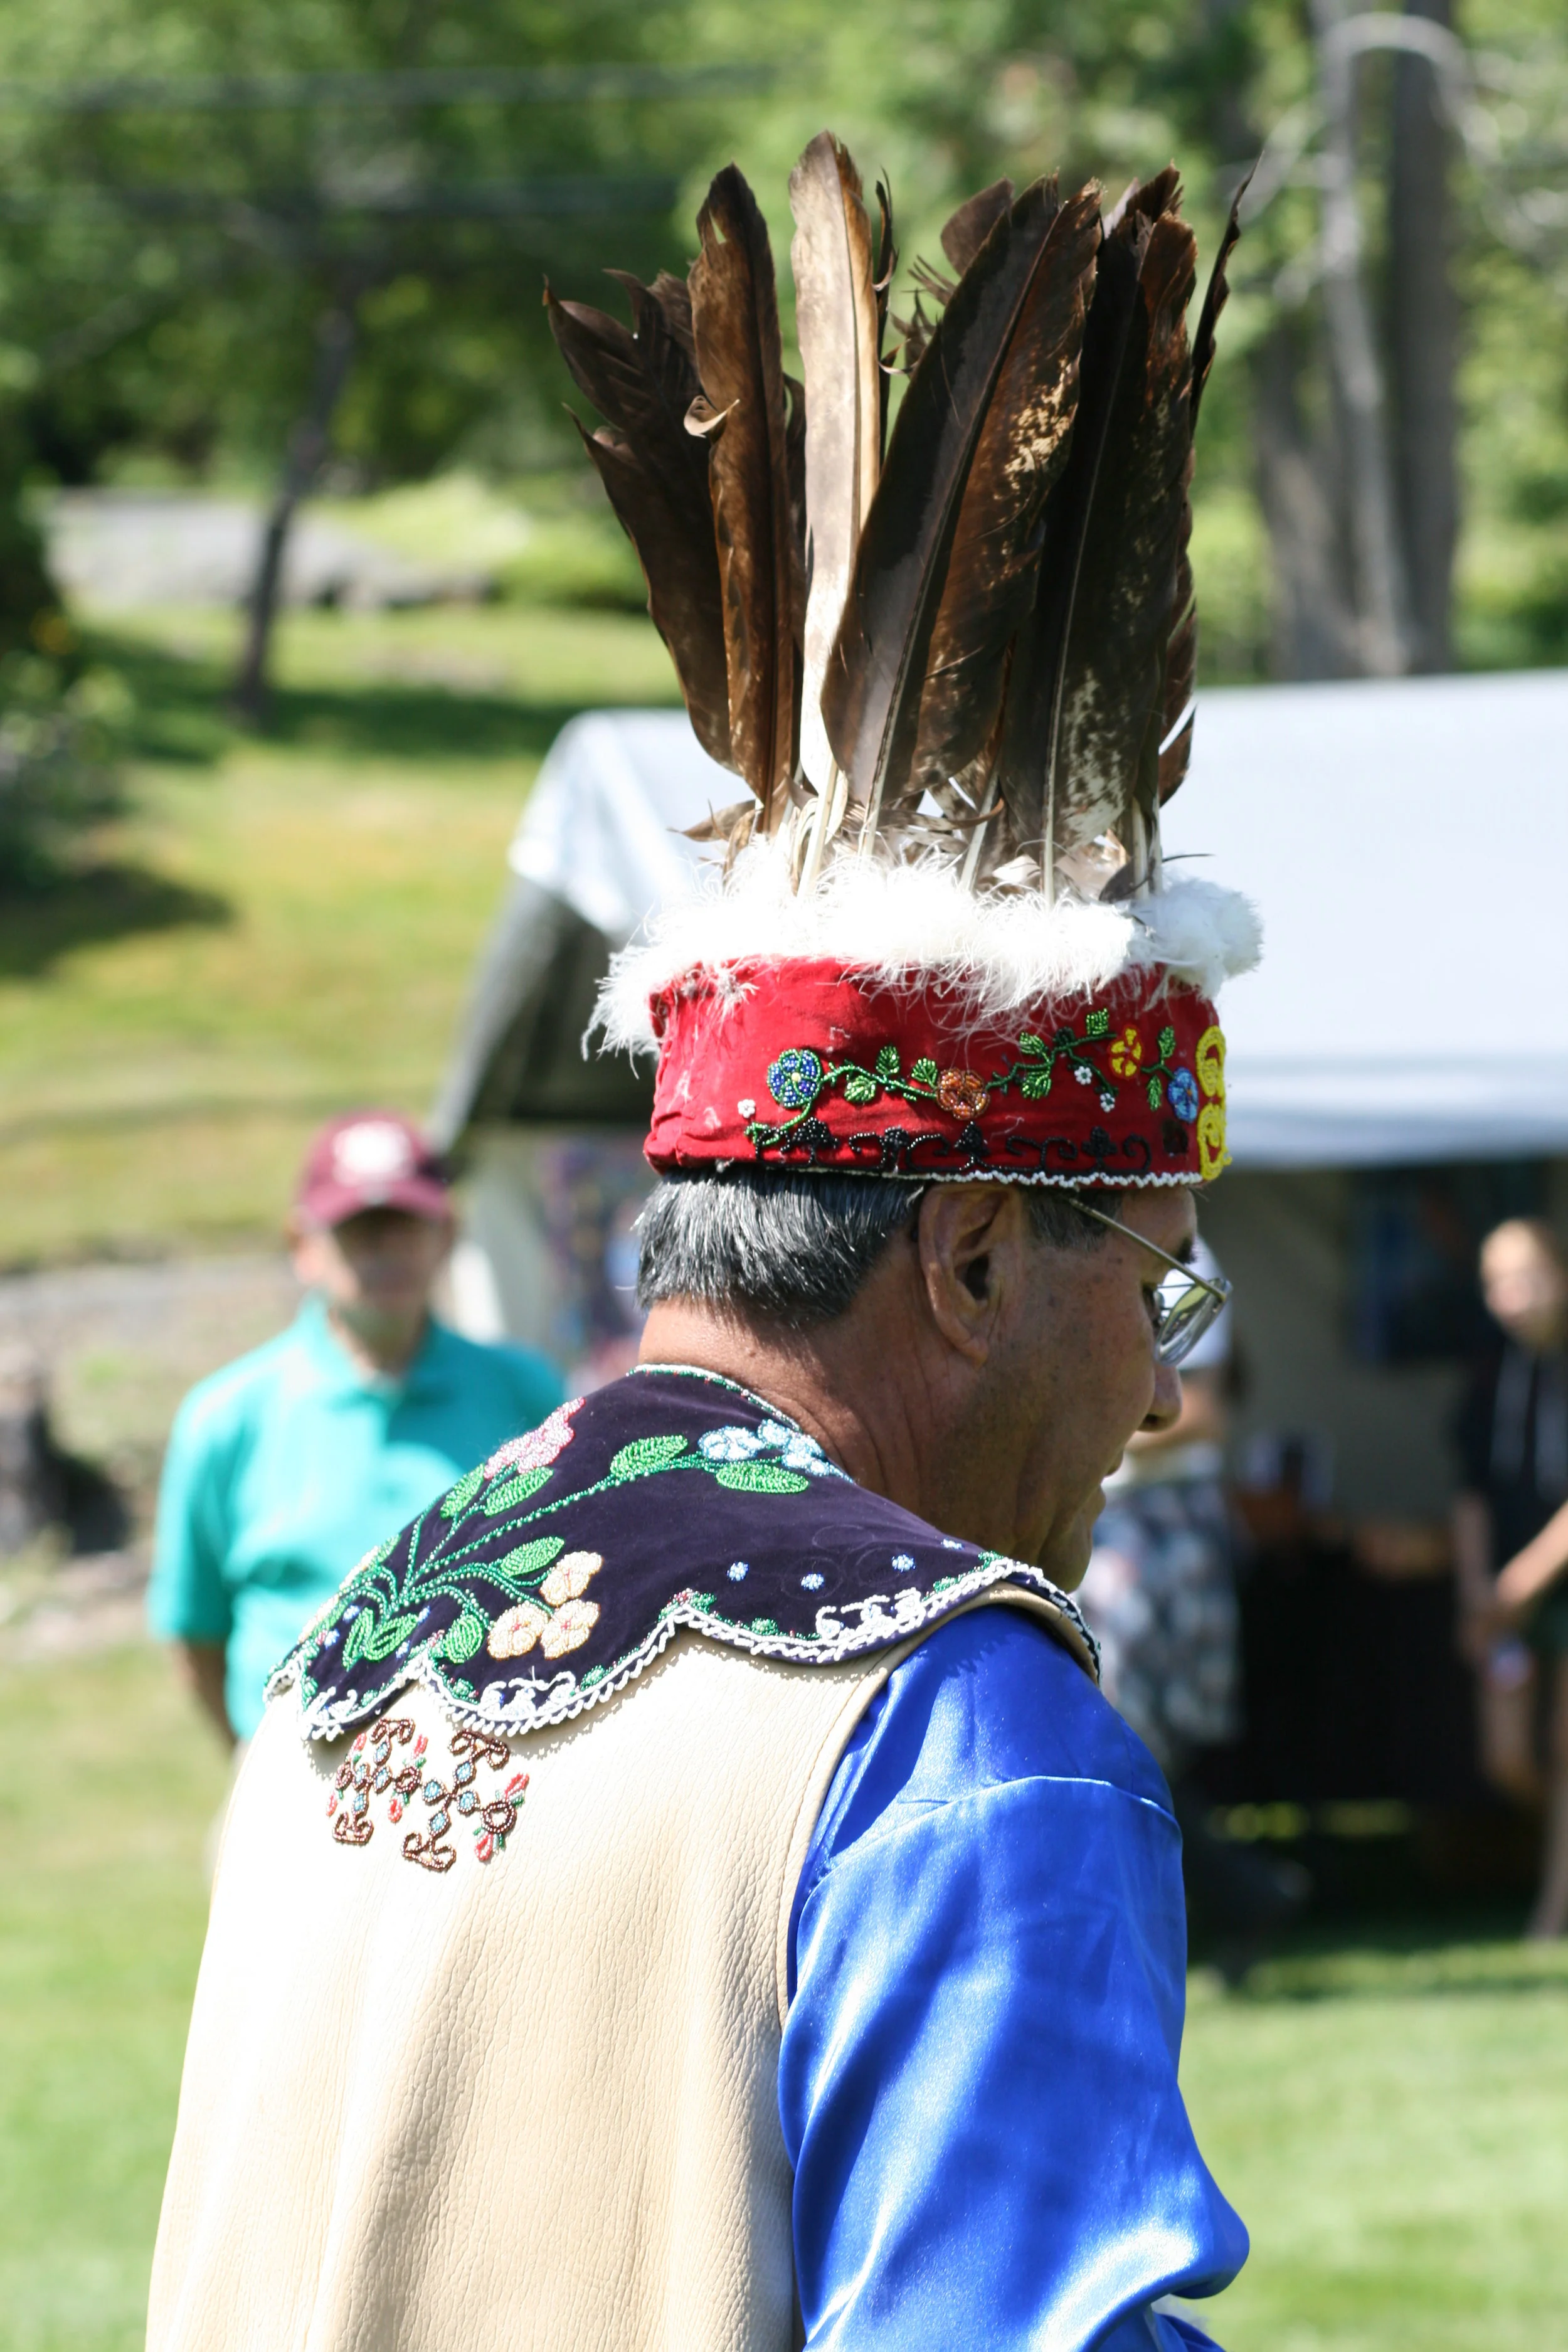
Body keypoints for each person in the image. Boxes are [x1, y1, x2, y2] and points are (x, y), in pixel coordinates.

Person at [149, 145, 1256, 2348]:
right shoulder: (948, 1719)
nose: (1154, 1391)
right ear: (963, 1260)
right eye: (1151, 1284)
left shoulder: (359, 1657)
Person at [147, 1110, 564, 1747]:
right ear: (302, 1247)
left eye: (402, 1226)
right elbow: (195, 1634)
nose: (384, 1252)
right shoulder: (227, 1419)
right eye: (358, 1231)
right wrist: (255, 1767)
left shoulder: (526, 1393)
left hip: (488, 1777)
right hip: (292, 1782)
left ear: (446, 1233)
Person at [1079, 1254, 1308, 1968]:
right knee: (1122, 1741)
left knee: (1125, 1737)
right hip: (1128, 1521)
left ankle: (1241, 1895)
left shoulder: (1182, 1258)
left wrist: (1081, 1429)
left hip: (1160, 1521)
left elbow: (1202, 1414)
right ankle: (1242, 1896)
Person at [1454, 1215, 1568, 1938]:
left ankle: (1549, 1921)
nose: (1509, 1296)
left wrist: (1518, 1585)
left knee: (1564, 1748)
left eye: (1523, 1277)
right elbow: (1469, 1489)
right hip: (1506, 1597)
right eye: (1494, 1282)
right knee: (1507, 1758)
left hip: (1538, 1584)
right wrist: (1476, 1592)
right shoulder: (1491, 1366)